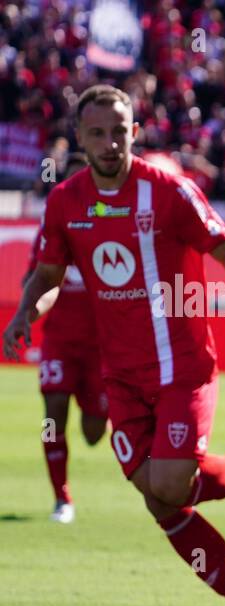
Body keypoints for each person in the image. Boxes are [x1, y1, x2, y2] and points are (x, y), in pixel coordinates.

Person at [3, 85, 225, 606]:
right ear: (80, 138)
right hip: (121, 376)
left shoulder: (168, 191)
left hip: (183, 367)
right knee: (160, 499)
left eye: (119, 130)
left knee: (170, 482)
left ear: (134, 132)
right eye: (97, 132)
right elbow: (46, 276)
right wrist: (27, 313)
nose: (110, 142)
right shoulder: (67, 201)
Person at [18, 153, 108, 523]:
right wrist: (29, 305)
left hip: (102, 346)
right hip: (60, 341)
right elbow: (32, 282)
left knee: (93, 431)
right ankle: (62, 498)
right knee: (53, 413)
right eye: (67, 183)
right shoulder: (51, 227)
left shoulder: (110, 222)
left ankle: (103, 409)